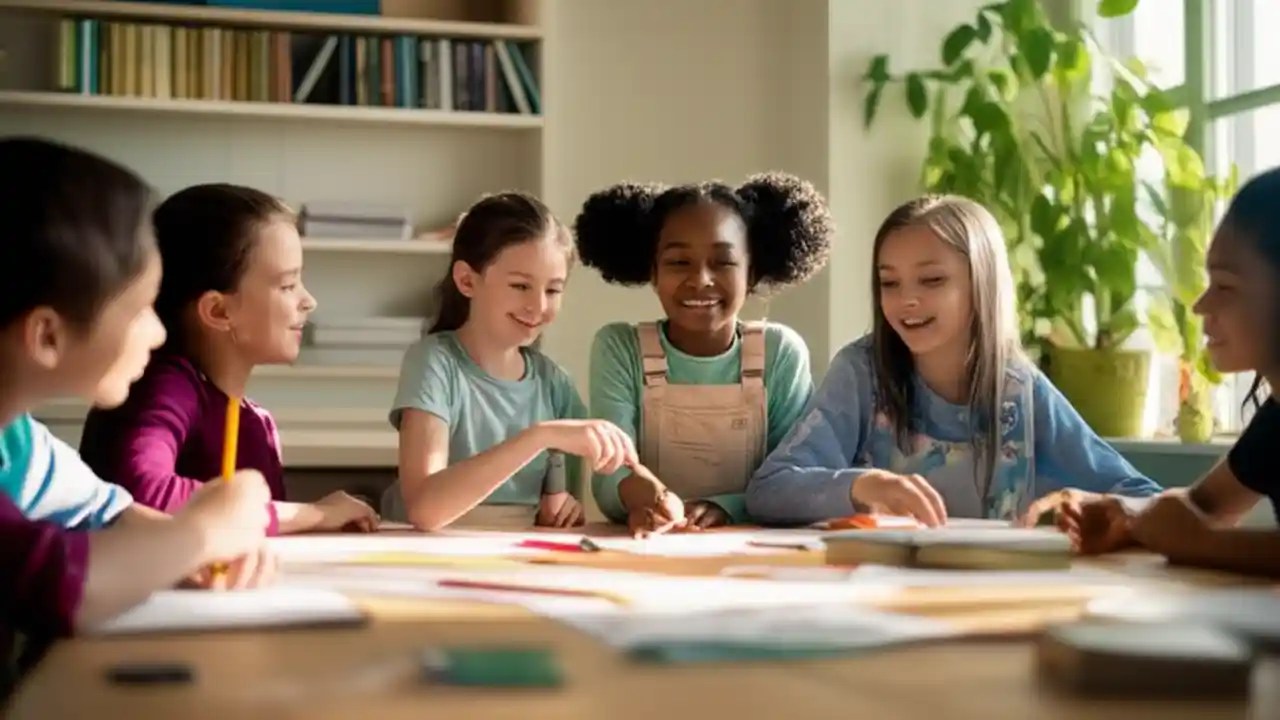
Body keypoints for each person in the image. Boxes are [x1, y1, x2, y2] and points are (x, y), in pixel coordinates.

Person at [747, 195, 1160, 526]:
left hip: (990, 601)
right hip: (875, 594)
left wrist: (1083, 504)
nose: (907, 299)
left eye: (932, 280)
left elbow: (1140, 496)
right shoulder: (861, 373)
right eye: (889, 282)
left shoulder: (1019, 389)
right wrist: (864, 486)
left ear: (981, 285)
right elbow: (770, 490)